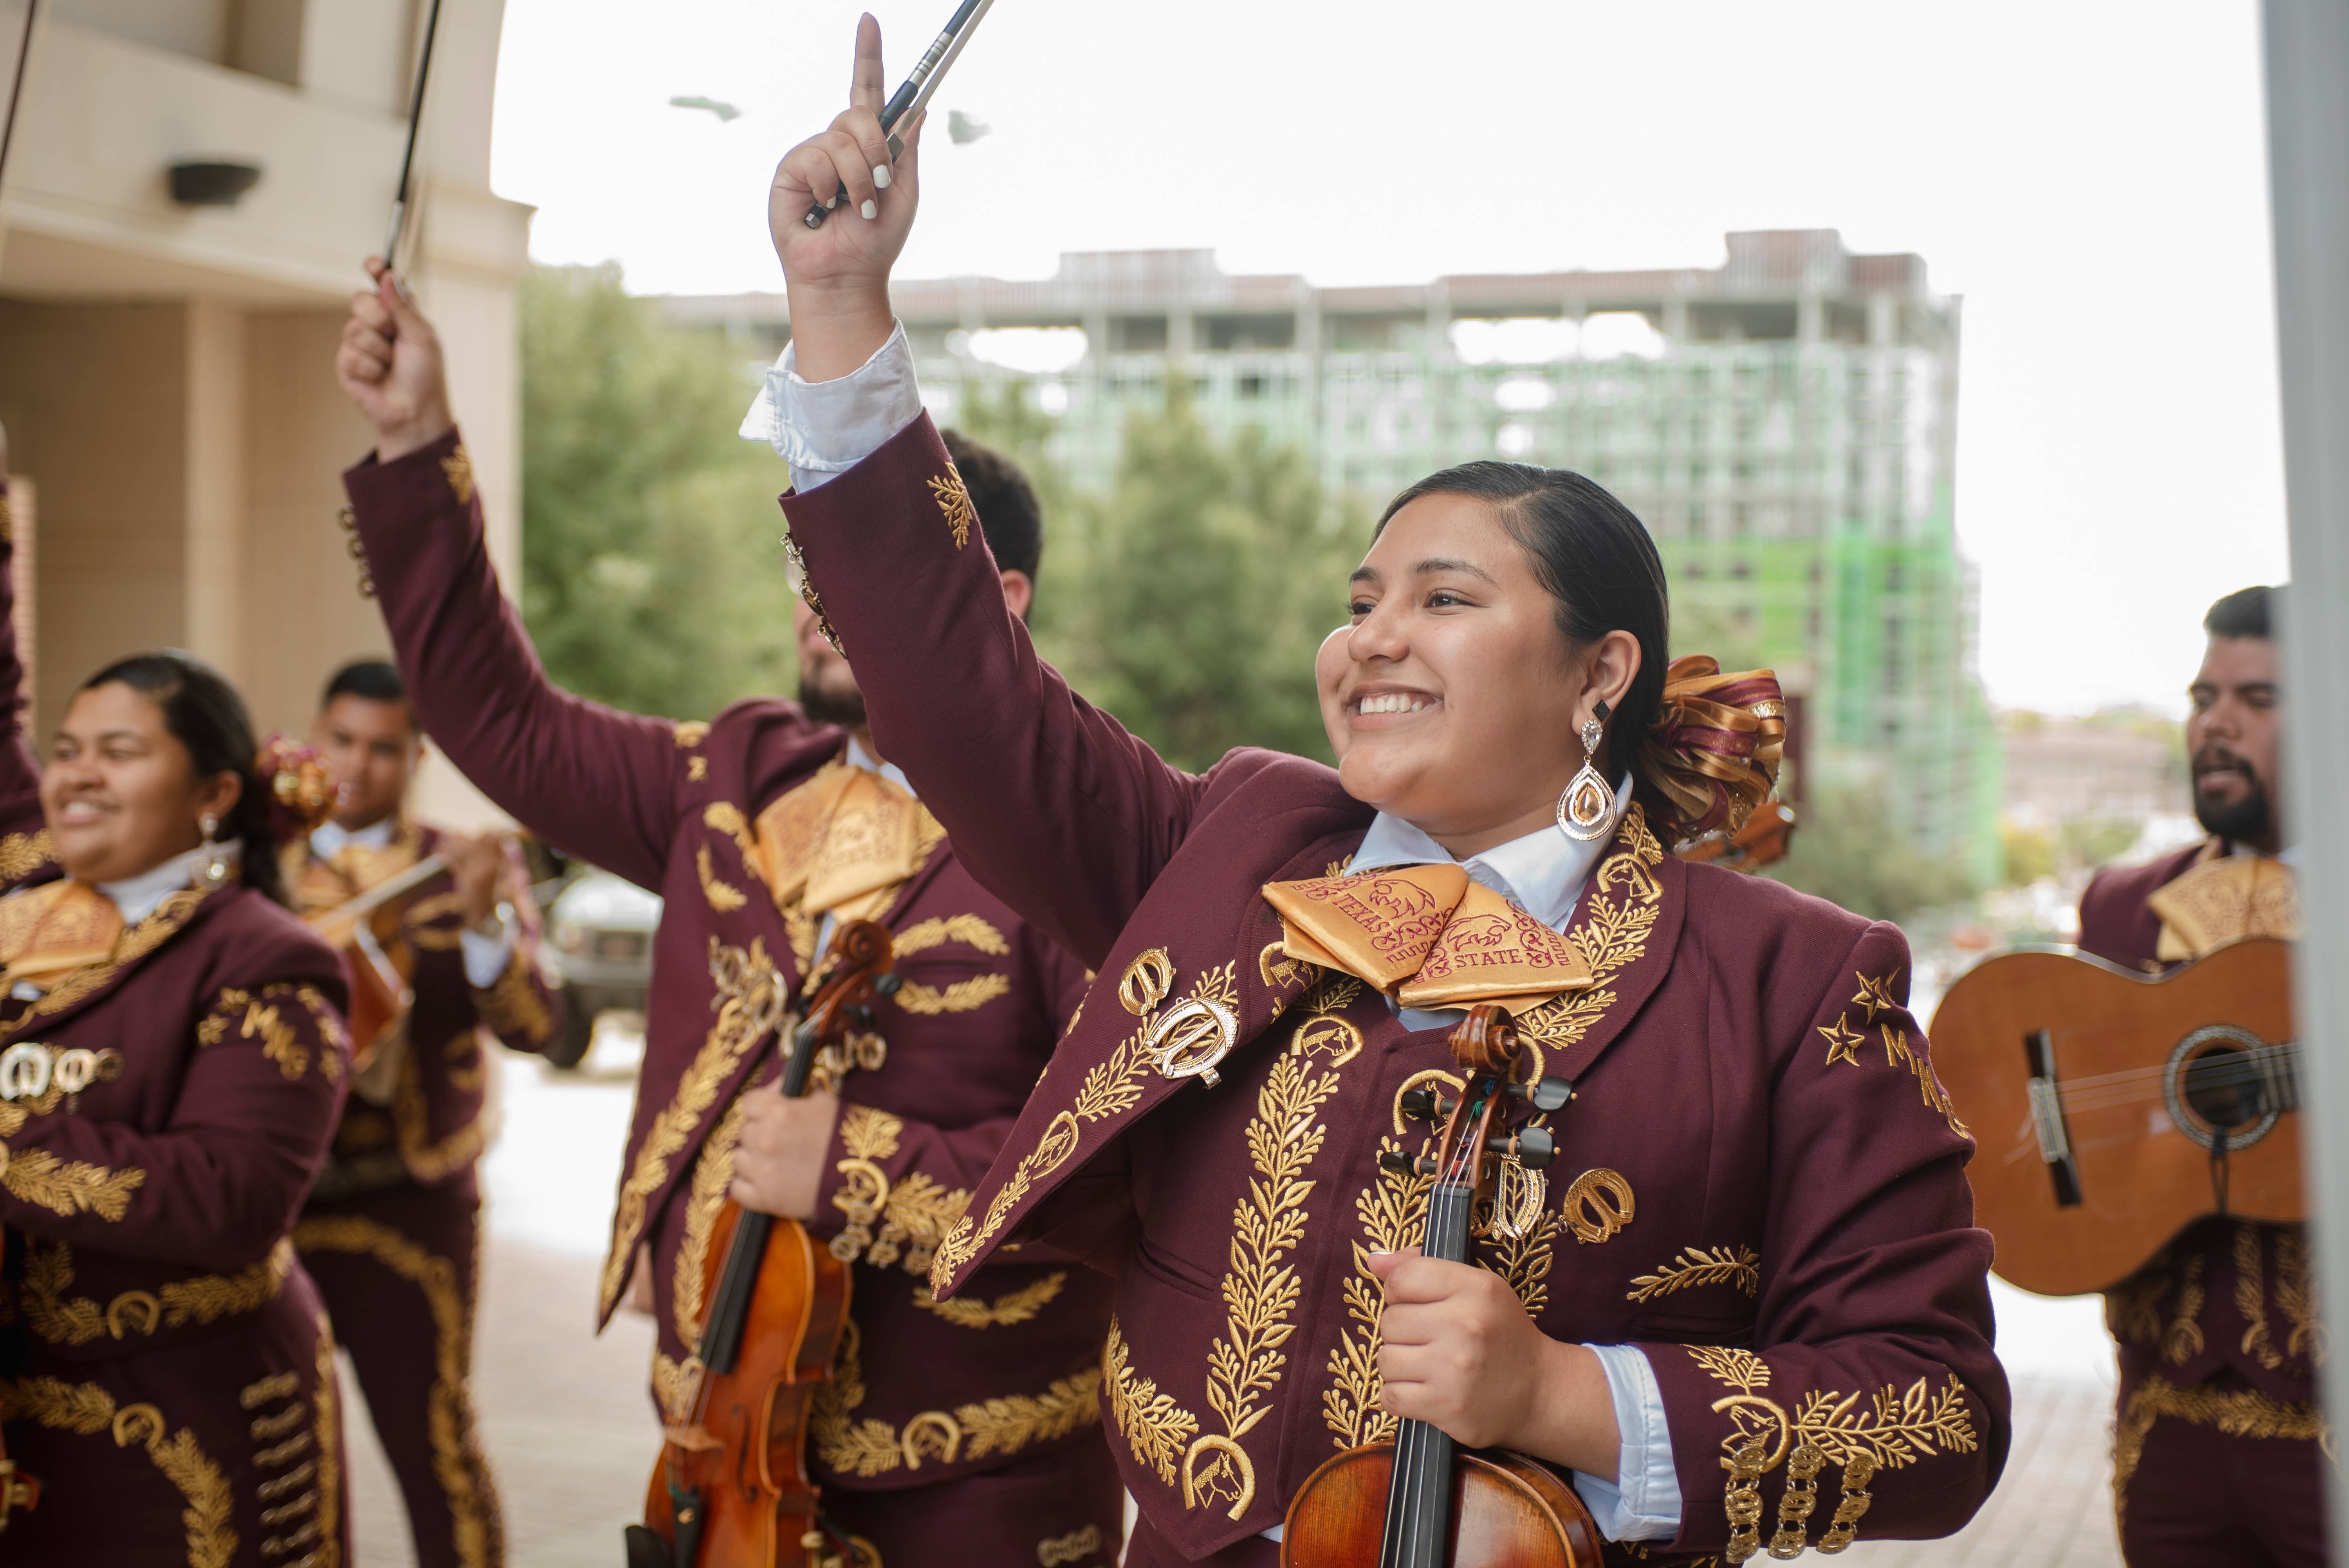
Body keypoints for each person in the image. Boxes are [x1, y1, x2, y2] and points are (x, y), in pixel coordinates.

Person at [679, 23, 2012, 1566]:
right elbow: (965, 691)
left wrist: (1569, 1394)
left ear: (1601, 673)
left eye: (1444, 598)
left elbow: (1942, 1411)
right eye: (1362, 596)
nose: (1372, 635)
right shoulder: (1231, 845)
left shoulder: (1789, 979)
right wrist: (841, 304)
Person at [331, 276, 1122, 1564]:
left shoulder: (1086, 833)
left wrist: (857, 1159)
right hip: (711, 1450)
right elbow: (501, 720)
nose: (818, 594)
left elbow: (1115, 1173)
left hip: (976, 1480)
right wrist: (416, 440)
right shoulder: (733, 775)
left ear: (1004, 602)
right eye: (812, 561)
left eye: (871, 567)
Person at [0, 629, 355, 1566]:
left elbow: (232, 1194)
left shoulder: (267, 954)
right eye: (68, 750)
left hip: (179, 1423)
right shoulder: (28, 892)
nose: (76, 774)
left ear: (213, 795)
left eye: (120, 753)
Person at [284, 658, 559, 1568]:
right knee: (289, 1455)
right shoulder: (257, 859)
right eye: (344, 741)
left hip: (415, 1200)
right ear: (317, 740)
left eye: (385, 748)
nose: (359, 765)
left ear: (418, 756)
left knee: (432, 1438)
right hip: (277, 1206)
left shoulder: (465, 862)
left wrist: (485, 921)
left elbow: (536, 1024)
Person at [2078, 585, 2316, 1568]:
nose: (2217, 722)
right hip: (2163, 1421)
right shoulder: (2123, 908)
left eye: (2258, 698)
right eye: (2203, 694)